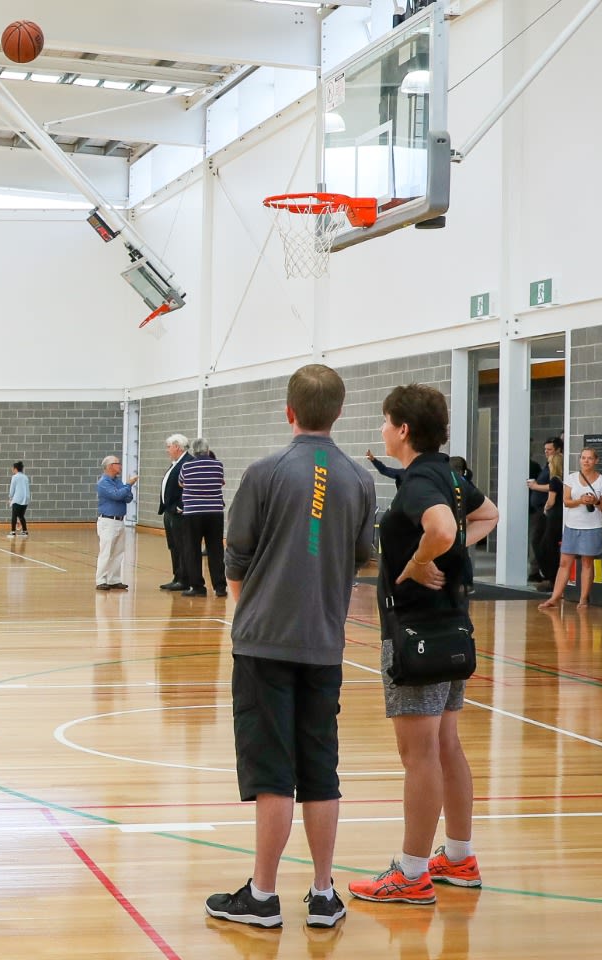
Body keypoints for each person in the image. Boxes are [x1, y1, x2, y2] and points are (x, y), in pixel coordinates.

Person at [204, 364, 373, 930]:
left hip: (264, 645)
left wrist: (248, 608)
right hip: (324, 644)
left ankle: (263, 895)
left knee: (274, 771)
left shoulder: (264, 472)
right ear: (340, 413)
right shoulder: (358, 478)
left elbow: (235, 555)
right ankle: (323, 895)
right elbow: (362, 556)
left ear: (289, 411)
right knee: (321, 768)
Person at [344, 384, 497, 907]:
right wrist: (449, 553)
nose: (383, 431)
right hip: (452, 627)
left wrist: (417, 562)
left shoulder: (417, 484)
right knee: (447, 745)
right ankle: (458, 857)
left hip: (418, 636)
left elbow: (442, 527)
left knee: (420, 755)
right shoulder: (449, 473)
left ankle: (411, 873)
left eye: (386, 422)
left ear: (403, 429)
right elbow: (488, 515)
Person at [542, 448, 602, 610]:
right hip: (572, 525)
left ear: (596, 460)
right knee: (564, 562)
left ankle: (583, 599)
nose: (586, 461)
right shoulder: (571, 478)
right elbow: (566, 501)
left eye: (590, 458)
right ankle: (554, 597)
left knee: (587, 563)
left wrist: (595, 501)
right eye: (583, 458)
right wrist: (581, 501)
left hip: (592, 526)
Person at [179, 438, 228, 598]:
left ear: (193, 451)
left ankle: (198, 587)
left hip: (193, 513)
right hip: (215, 513)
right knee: (216, 549)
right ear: (208, 450)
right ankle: (220, 587)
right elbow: (221, 482)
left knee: (192, 549)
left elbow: (181, 483)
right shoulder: (218, 465)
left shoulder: (187, 466)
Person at [157, 435, 191, 591]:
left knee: (182, 546)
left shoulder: (188, 462)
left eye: (168, 446)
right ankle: (177, 576)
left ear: (177, 447)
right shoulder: (176, 463)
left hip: (179, 513)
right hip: (169, 511)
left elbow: (191, 488)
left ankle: (184, 579)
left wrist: (180, 506)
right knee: (174, 546)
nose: (167, 450)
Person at [527, 439, 564, 581]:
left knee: (544, 544)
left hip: (548, 512)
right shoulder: (546, 468)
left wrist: (536, 487)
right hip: (541, 510)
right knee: (539, 543)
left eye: (549, 449)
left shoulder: (556, 475)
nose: (546, 453)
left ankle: (550, 576)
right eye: (545, 449)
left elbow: (553, 490)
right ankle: (546, 574)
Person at [94, 455, 132, 591]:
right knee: (106, 551)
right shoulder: (103, 482)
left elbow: (127, 497)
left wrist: (125, 489)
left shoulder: (118, 481)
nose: (120, 466)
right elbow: (117, 495)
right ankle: (101, 580)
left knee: (118, 552)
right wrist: (128, 485)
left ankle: (113, 579)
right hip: (108, 521)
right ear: (110, 466)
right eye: (118, 463)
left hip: (120, 520)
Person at [7, 461, 31, 537]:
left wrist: (10, 497)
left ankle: (13, 532)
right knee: (21, 515)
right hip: (26, 498)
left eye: (12, 468)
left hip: (17, 498)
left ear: (15, 469)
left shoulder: (15, 477)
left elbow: (12, 489)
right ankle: (25, 531)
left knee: (14, 515)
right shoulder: (25, 477)